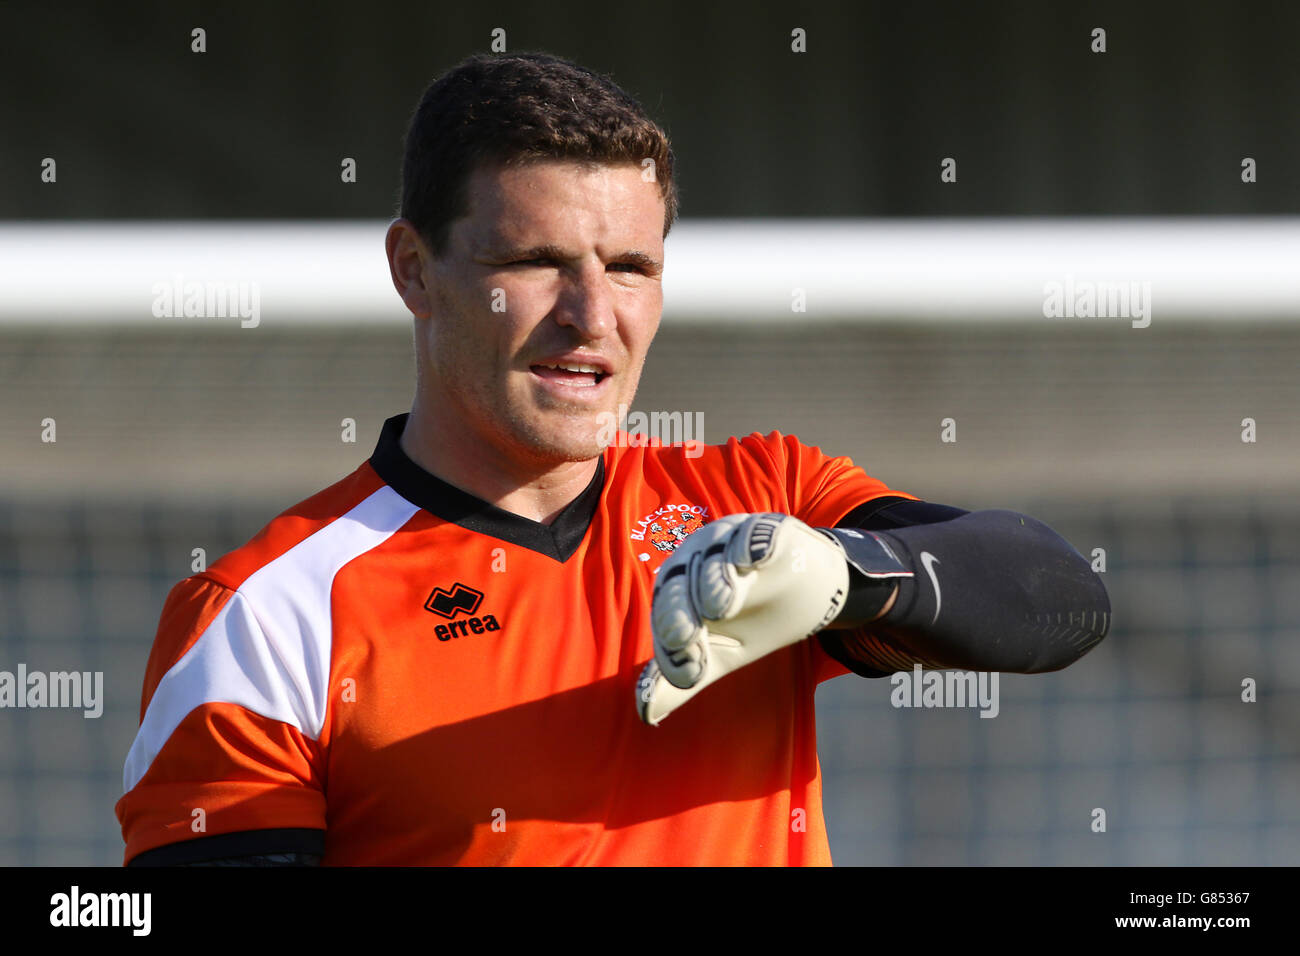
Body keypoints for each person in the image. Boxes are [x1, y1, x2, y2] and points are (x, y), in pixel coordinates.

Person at [116, 51, 1110, 866]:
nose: (592, 317)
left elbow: (1054, 596)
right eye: (534, 262)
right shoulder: (265, 613)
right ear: (415, 272)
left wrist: (843, 577)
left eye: (630, 267)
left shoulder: (762, 500)